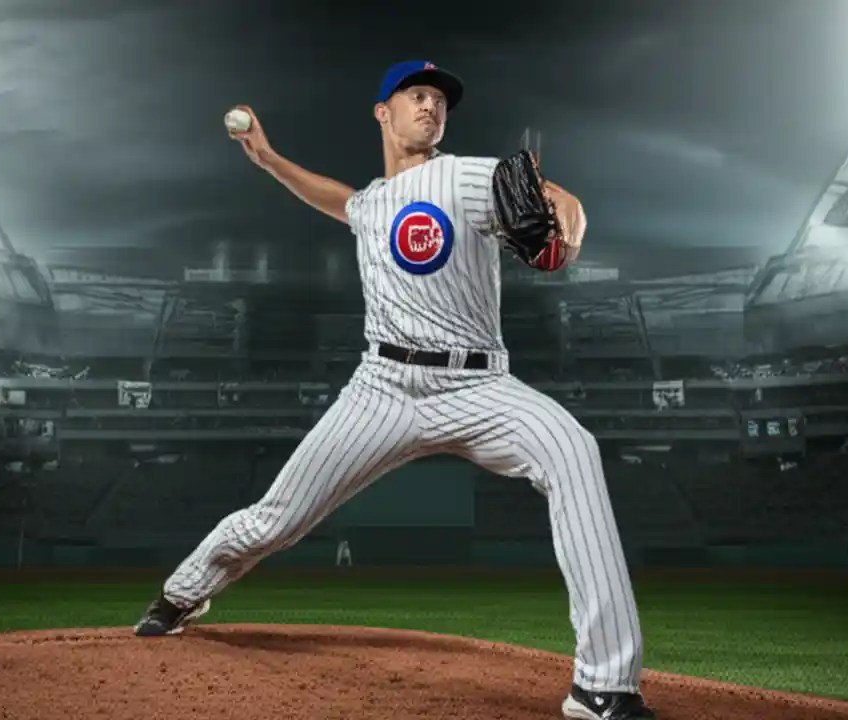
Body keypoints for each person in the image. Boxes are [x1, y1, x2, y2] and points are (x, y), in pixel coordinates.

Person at [133, 60, 654, 720]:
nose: (431, 105)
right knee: (277, 518)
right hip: (380, 388)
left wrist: (564, 231)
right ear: (384, 112)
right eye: (417, 95)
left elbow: (563, 207)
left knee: (573, 450)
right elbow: (336, 198)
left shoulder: (467, 176)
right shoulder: (372, 203)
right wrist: (267, 160)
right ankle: (181, 594)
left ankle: (604, 684)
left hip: (477, 386)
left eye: (439, 99)